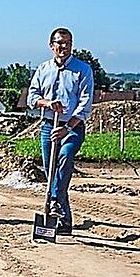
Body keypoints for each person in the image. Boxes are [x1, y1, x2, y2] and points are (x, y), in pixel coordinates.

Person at [27, 27, 94, 236]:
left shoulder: (83, 70)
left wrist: (66, 127)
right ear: (51, 45)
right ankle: (64, 221)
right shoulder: (43, 69)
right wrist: (47, 103)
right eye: (59, 43)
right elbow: (31, 98)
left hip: (72, 127)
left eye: (67, 43)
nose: (63, 47)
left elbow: (84, 105)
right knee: (50, 172)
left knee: (65, 158)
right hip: (48, 125)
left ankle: (54, 200)